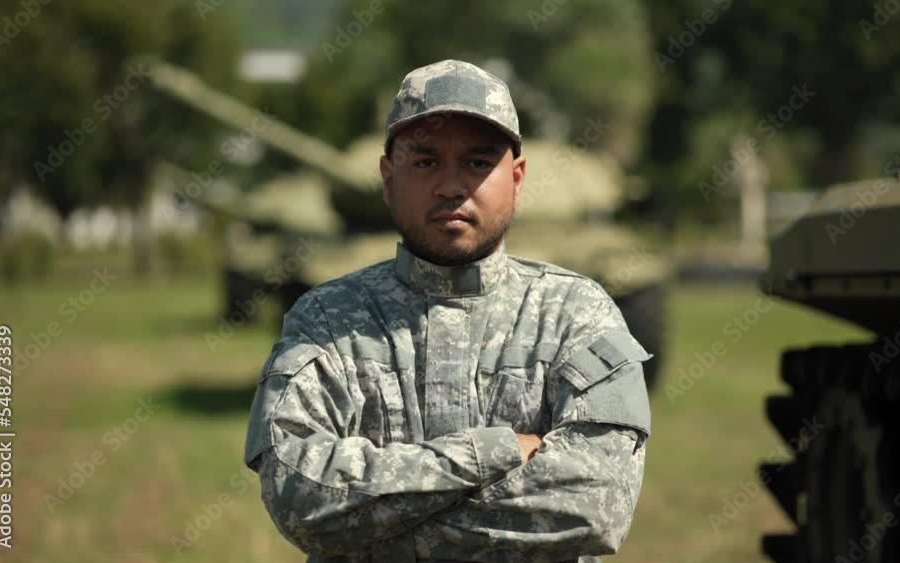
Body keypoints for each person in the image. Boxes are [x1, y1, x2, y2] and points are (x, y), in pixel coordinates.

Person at [244, 59, 652, 563]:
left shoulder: (576, 313)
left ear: (518, 177)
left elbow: (597, 506)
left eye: (478, 163)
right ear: (388, 177)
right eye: (426, 162)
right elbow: (299, 496)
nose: (451, 186)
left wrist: (378, 527)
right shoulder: (327, 321)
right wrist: (496, 454)